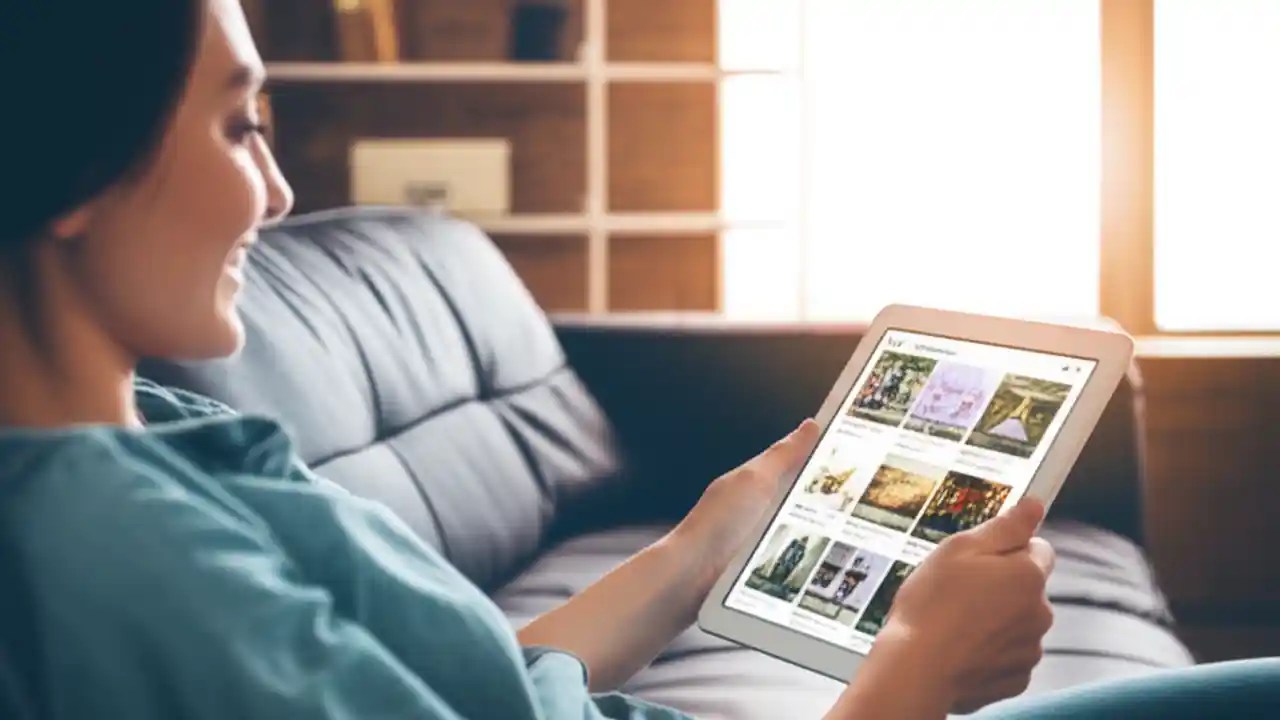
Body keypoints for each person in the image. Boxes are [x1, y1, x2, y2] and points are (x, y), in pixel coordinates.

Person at [0, 2, 1275, 719]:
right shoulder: (117, 556)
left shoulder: (164, 438)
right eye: (238, 126)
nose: (276, 196)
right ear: (78, 153)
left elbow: (483, 698)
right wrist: (907, 684)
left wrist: (708, 543)